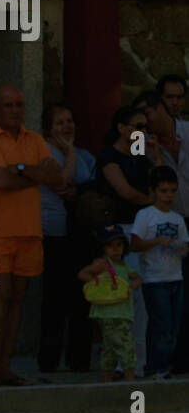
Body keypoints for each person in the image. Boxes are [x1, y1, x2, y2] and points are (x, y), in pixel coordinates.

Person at [0, 84, 63, 387]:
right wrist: (34, 175)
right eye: (9, 105)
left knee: (18, 301)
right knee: (0, 298)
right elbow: (0, 181)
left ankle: (6, 368)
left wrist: (20, 168)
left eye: (19, 105)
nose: (15, 110)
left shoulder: (34, 139)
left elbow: (56, 177)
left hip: (30, 233)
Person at [96, 105, 156, 375]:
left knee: (141, 300)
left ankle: (138, 362)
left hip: (142, 232)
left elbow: (165, 182)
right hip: (119, 233)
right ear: (122, 128)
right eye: (138, 126)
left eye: (146, 127)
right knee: (123, 297)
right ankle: (120, 361)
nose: (144, 132)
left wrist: (154, 156)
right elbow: (125, 192)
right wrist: (152, 201)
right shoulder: (110, 156)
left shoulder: (142, 158)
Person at [39, 103, 97, 372]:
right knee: (55, 299)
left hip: (79, 234)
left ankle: (79, 360)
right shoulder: (45, 152)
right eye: (60, 122)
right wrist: (70, 153)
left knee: (80, 297)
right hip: (53, 233)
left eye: (69, 120)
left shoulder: (84, 154)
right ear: (49, 129)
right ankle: (49, 361)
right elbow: (62, 182)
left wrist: (74, 156)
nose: (66, 126)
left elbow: (86, 182)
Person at [130, 165, 188, 379]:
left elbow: (184, 244)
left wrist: (181, 248)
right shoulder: (145, 215)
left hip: (176, 276)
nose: (168, 196)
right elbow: (134, 244)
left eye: (172, 191)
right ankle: (155, 367)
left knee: (173, 325)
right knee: (160, 324)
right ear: (153, 191)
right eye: (163, 191)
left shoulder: (178, 219)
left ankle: (162, 364)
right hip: (154, 278)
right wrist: (156, 241)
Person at [78, 226, 141, 381]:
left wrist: (135, 282)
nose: (115, 249)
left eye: (119, 245)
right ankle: (130, 380)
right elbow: (82, 274)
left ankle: (108, 380)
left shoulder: (124, 266)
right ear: (102, 248)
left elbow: (136, 277)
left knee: (109, 348)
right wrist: (100, 285)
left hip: (120, 312)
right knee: (126, 345)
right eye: (110, 245)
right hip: (111, 313)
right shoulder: (102, 264)